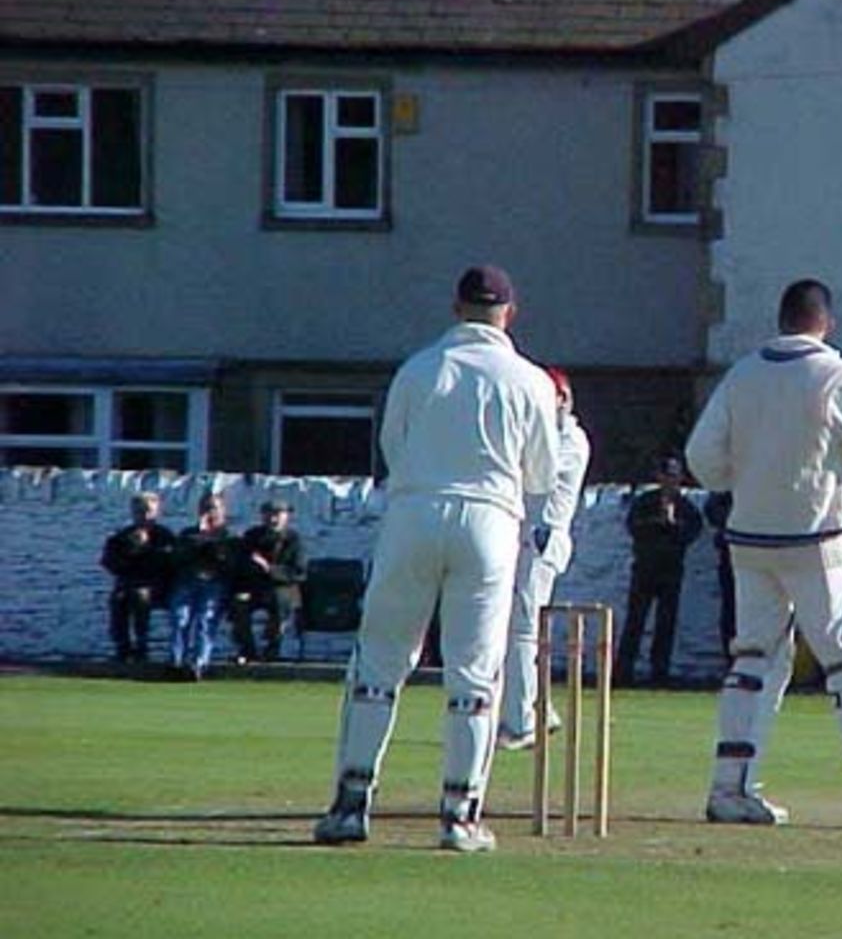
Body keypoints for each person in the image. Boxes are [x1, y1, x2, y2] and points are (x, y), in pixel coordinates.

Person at [313, 264, 558, 854]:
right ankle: (459, 816)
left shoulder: (420, 368)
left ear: (456, 308)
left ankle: (350, 806)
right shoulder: (529, 381)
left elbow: (392, 449)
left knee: (379, 661)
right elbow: (543, 473)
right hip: (490, 521)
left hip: (414, 513)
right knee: (475, 671)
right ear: (510, 312)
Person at [685, 277, 842, 832]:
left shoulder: (743, 374)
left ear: (782, 319)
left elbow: (702, 460)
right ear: (827, 323)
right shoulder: (835, 374)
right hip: (817, 544)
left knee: (755, 658)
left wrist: (752, 477)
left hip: (750, 540)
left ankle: (730, 788)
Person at [497, 366, 592, 750]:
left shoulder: (571, 440)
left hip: (541, 539)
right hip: (525, 538)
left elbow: (535, 476)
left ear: (563, 400)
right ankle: (538, 707)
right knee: (517, 627)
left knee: (522, 626)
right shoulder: (545, 435)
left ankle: (520, 721)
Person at [615, 455, 703, 685]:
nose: (670, 482)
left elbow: (692, 532)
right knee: (635, 621)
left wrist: (672, 525)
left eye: (674, 477)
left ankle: (659, 671)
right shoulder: (645, 502)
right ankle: (624, 670)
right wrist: (658, 523)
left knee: (666, 623)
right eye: (666, 477)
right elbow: (634, 527)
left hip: (671, 571)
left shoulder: (686, 508)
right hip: (645, 568)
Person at [168, 491, 238, 680]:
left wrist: (209, 542)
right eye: (205, 508)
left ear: (223, 511)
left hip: (214, 583)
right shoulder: (187, 534)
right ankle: (177, 661)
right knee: (180, 617)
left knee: (205, 619)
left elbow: (227, 562)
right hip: (188, 582)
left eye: (213, 508)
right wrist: (200, 535)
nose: (209, 512)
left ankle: (199, 663)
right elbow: (177, 558)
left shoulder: (229, 536)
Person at [100, 492, 175, 663]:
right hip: (129, 584)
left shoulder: (164, 536)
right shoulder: (121, 536)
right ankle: (123, 647)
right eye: (140, 512)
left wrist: (147, 549)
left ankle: (142, 646)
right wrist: (131, 550)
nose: (145, 516)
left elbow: (169, 564)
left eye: (149, 511)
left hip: (158, 587)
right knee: (118, 599)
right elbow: (110, 563)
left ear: (157, 512)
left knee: (140, 596)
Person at [230, 499, 307, 662]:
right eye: (269, 515)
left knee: (280, 604)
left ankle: (272, 648)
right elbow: (241, 564)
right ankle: (247, 649)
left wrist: (269, 568)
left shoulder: (294, 540)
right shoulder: (252, 536)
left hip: (283, 589)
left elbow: (298, 572)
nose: (273, 520)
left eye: (278, 515)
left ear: (287, 517)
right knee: (239, 604)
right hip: (255, 587)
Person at [703, 491, 737, 656]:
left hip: (764, 550)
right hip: (732, 552)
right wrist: (735, 520)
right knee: (731, 607)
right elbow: (711, 510)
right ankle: (731, 658)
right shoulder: (730, 482)